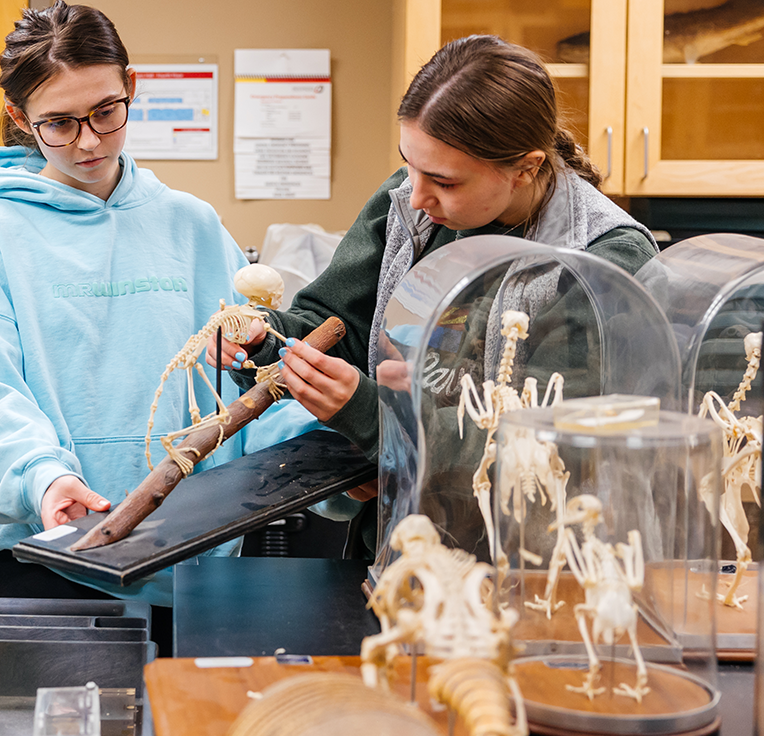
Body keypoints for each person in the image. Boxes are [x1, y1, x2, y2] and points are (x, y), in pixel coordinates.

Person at [0, 0, 316, 644]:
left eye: (106, 112)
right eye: (58, 123)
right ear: (20, 118)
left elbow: (256, 382)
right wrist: (42, 477)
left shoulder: (189, 225)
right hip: (44, 560)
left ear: (132, 88)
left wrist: (332, 442)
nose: (88, 141)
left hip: (184, 563)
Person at [213, 34, 658, 537]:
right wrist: (264, 342)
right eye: (409, 162)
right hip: (401, 537)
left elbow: (556, 449)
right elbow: (338, 324)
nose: (416, 194)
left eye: (445, 182)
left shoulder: (603, 259)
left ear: (526, 167)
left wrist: (373, 419)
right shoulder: (408, 201)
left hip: (528, 557)